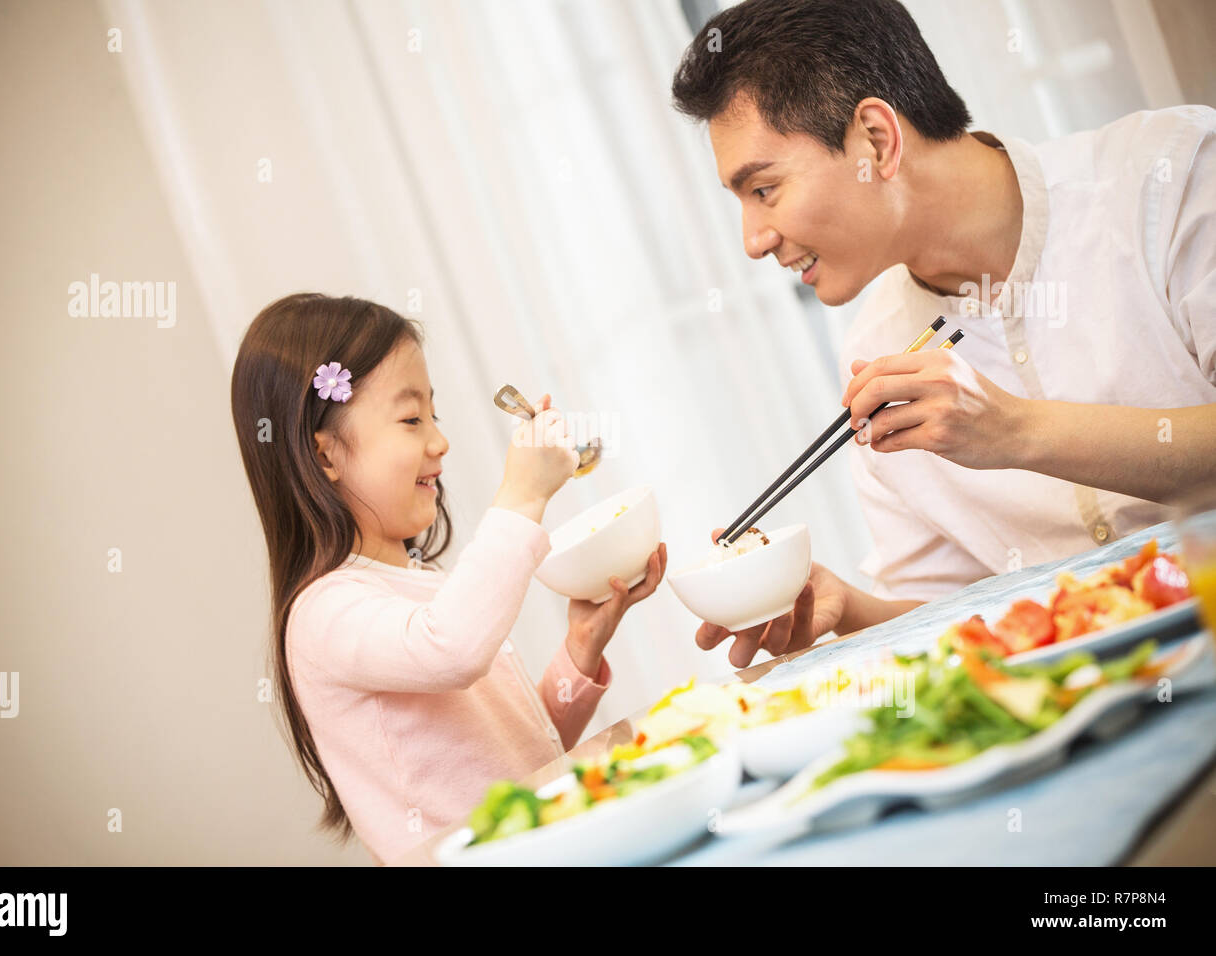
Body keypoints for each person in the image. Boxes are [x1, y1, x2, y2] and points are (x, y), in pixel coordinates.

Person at [670, 0, 1216, 668]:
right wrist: (851, 607)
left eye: (764, 189)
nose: (753, 242)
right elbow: (959, 613)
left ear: (876, 138)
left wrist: (1013, 432)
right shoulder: (877, 358)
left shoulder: (1173, 175)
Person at [229, 293, 666, 863]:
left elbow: (526, 760)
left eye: (434, 415)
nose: (440, 441)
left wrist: (581, 649)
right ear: (326, 456)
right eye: (412, 419)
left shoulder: (422, 585)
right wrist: (524, 494)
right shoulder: (322, 614)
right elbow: (454, 647)